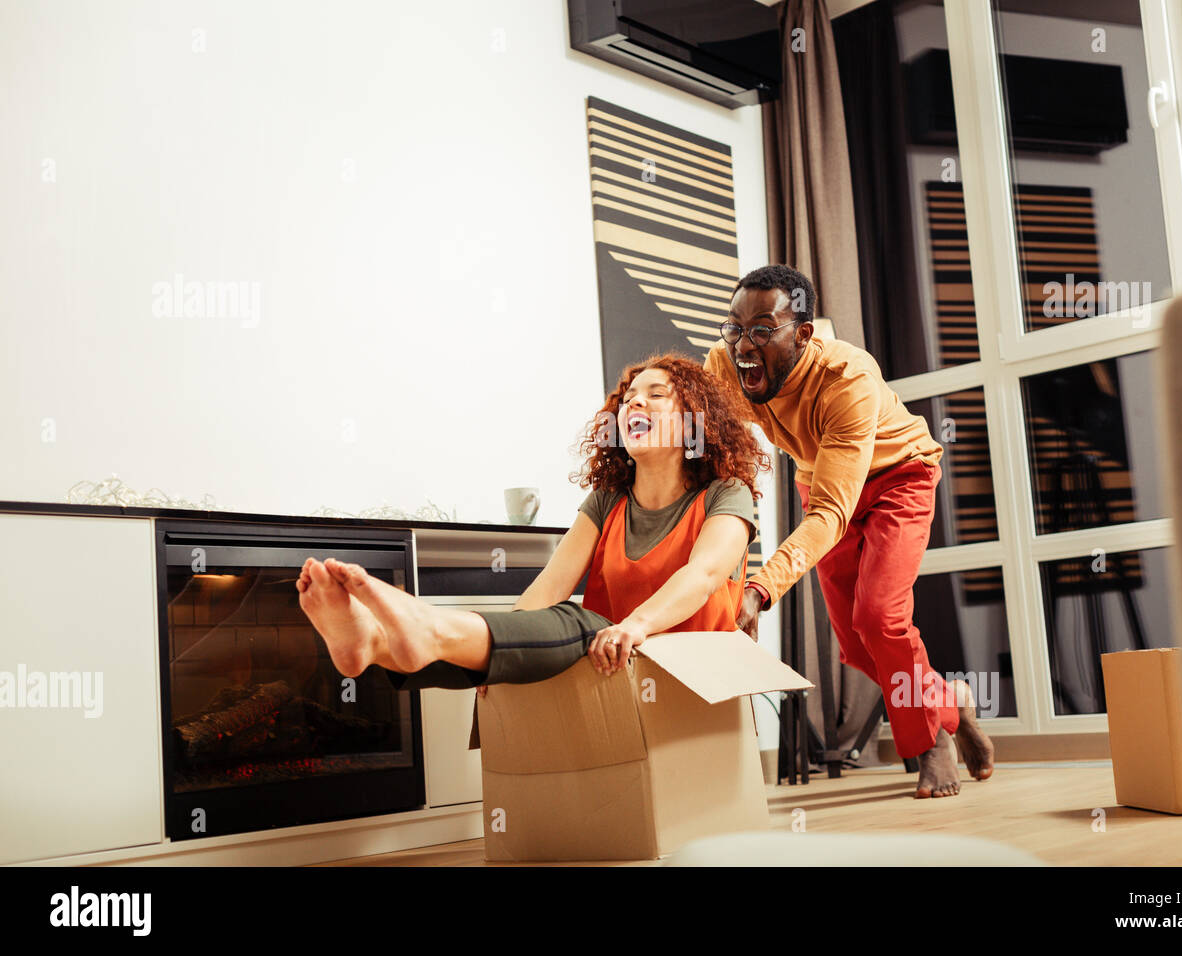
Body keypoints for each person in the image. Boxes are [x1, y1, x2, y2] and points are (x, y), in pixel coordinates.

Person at [297, 352, 771, 693]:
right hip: (613, 663)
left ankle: (430, 631)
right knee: (561, 626)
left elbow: (703, 576)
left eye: (656, 395)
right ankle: (374, 644)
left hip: (685, 669)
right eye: (628, 399)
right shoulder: (606, 501)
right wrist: (492, 653)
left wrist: (635, 626)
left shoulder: (726, 494)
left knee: (583, 625)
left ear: (694, 421)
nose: (634, 404)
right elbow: (549, 587)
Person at [703, 264, 995, 799]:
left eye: (763, 330)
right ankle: (949, 705)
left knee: (880, 618)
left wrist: (761, 588)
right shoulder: (724, 364)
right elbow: (710, 459)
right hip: (822, 480)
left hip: (897, 476)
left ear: (803, 334)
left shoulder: (847, 378)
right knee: (859, 649)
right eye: (736, 327)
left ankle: (931, 740)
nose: (744, 345)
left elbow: (829, 515)